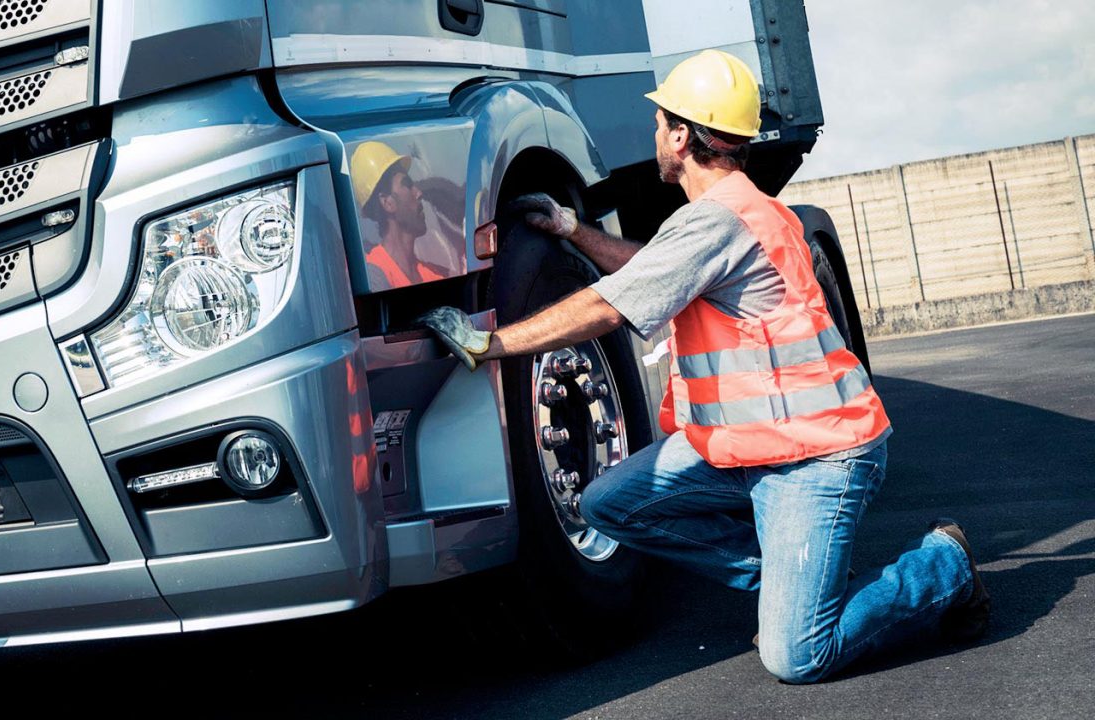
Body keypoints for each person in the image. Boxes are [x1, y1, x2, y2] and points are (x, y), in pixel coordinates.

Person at [420, 49, 990, 683]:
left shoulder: (716, 220)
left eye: (661, 122)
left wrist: (490, 345)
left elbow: (610, 306)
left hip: (817, 455)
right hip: (746, 448)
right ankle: (797, 584)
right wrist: (573, 229)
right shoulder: (736, 210)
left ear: (683, 135)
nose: (654, 135)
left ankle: (944, 566)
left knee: (797, 655)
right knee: (611, 503)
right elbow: (652, 267)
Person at [350, 140, 445, 286]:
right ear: (387, 202)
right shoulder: (373, 278)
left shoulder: (433, 275)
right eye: (407, 184)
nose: (419, 193)